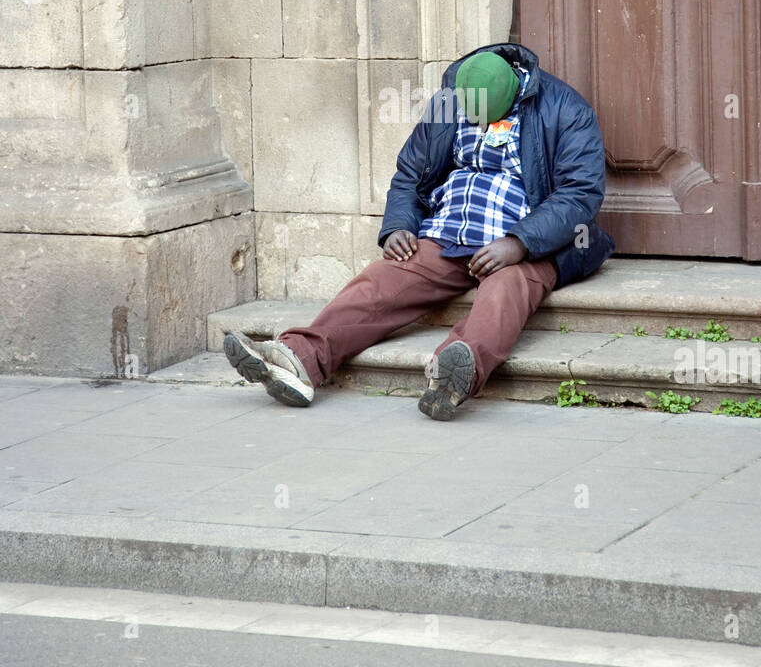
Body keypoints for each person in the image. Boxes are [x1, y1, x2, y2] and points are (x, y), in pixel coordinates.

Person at [224, 42, 614, 421]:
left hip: (526, 244)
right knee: (381, 280)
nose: (475, 123)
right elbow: (411, 174)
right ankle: (299, 360)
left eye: (484, 117)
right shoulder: (450, 103)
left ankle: (454, 374)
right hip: (446, 232)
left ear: (511, 94)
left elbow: (580, 195)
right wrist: (398, 226)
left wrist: (519, 242)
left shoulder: (566, 109)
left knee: (505, 289)